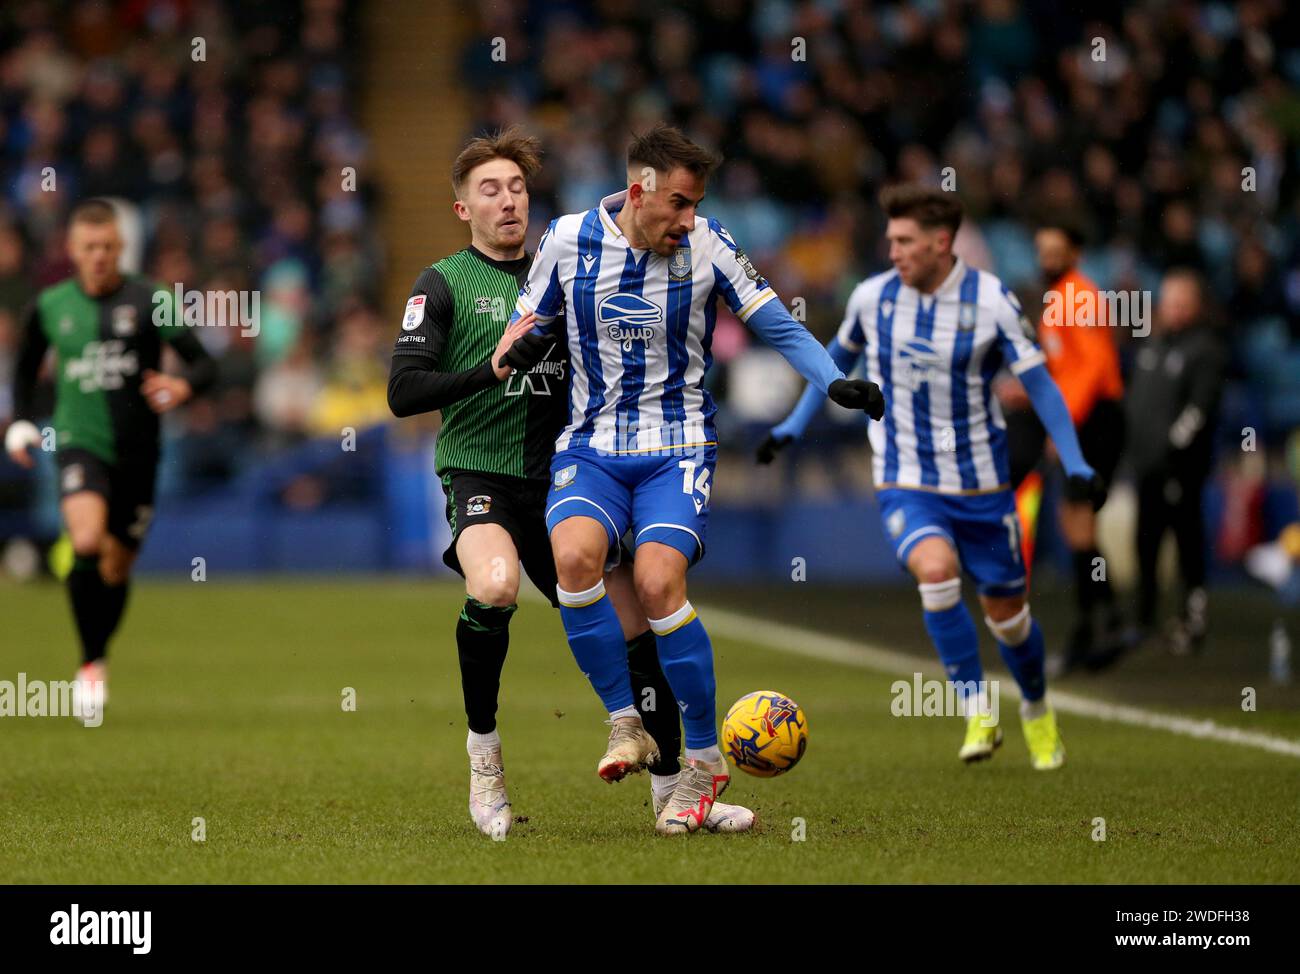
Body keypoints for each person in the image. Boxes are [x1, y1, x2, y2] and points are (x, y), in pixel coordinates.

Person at [503, 123, 884, 834]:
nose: (688, 218)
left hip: (676, 449)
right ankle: (627, 724)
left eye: (695, 203)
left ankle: (704, 759)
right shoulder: (566, 239)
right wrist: (520, 350)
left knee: (654, 585)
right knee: (574, 561)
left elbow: (779, 324)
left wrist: (836, 383)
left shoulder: (710, 245)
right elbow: (520, 328)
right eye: (679, 203)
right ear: (640, 189)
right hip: (590, 447)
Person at [387, 128, 754, 837]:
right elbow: (403, 391)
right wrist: (488, 370)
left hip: (568, 475)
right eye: (489, 191)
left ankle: (674, 791)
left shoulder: (576, 263)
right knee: (493, 586)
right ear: (462, 208)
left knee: (637, 620)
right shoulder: (442, 283)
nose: (507, 202)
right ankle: (485, 762)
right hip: (483, 475)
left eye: (517, 188)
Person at [760, 185, 1104, 770]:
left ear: (941, 243)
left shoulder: (992, 300)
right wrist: (791, 424)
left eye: (904, 241)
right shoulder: (872, 299)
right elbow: (831, 364)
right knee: (936, 572)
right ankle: (977, 709)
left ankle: (1037, 708)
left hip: (981, 484)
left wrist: (1074, 462)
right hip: (906, 477)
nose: (891, 250)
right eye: (889, 239)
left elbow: (1041, 384)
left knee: (1011, 621)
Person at [5, 198, 216, 720]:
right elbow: (26, 370)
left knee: (116, 565)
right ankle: (90, 662)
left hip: (140, 452)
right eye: (89, 247)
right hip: (79, 439)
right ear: (73, 251)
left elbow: (204, 363)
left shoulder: (152, 299)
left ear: (121, 248)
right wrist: (27, 422)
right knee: (85, 539)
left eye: (107, 246)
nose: (98, 255)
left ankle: (99, 649)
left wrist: (181, 385)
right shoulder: (51, 305)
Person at [997, 220, 1131, 672]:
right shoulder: (1060, 299)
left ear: (1074, 252)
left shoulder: (1081, 296)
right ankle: (1102, 621)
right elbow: (1067, 369)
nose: (1046, 259)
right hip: (1083, 417)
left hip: (1096, 419)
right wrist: (1027, 391)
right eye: (1042, 250)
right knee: (1075, 521)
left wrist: (1063, 429)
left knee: (1077, 521)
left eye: (1055, 251)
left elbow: (1093, 370)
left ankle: (1094, 626)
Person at [1125, 269, 1226, 655]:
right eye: (1169, 301)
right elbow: (1137, 401)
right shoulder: (1152, 346)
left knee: (1186, 541)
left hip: (1182, 468)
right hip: (1146, 465)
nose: (1174, 310)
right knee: (1145, 541)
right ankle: (1143, 618)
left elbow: (1199, 410)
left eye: (1182, 303)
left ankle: (1193, 618)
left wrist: (1173, 447)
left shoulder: (1205, 350)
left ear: (1197, 306)